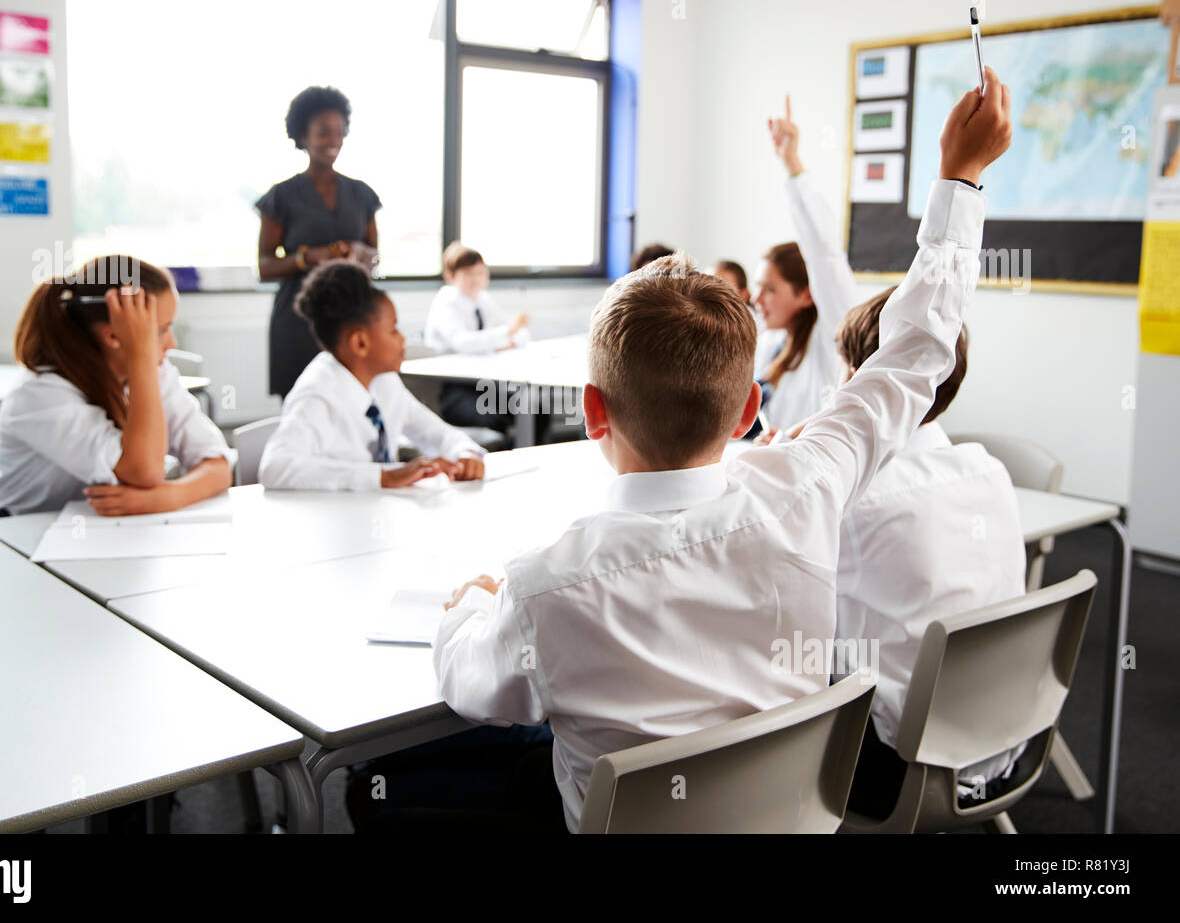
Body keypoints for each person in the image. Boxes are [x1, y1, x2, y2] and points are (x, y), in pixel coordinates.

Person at [431, 69, 1012, 832]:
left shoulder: (543, 590)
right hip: (788, 816)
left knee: (409, 773)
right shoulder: (806, 488)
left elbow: (467, 683)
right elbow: (915, 354)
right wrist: (960, 178)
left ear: (592, 412)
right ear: (748, 410)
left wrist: (469, 608)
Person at [826, 288, 1028, 817]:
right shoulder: (988, 469)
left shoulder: (854, 499)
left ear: (863, 382)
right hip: (1004, 743)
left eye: (847, 369)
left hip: (894, 769)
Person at [0, 256, 236, 516]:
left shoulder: (157, 372)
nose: (172, 343)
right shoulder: (39, 394)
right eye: (161, 330)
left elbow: (218, 464)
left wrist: (171, 496)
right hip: (23, 532)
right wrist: (141, 355)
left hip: (109, 530)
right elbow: (144, 472)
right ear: (114, 335)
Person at [259, 260, 488, 491]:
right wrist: (383, 477)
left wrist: (464, 453)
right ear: (360, 342)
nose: (402, 339)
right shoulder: (317, 395)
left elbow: (435, 432)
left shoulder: (384, 380)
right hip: (338, 519)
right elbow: (274, 467)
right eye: (393, 329)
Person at [257, 86, 382, 399]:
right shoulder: (281, 197)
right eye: (324, 132)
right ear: (302, 136)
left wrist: (360, 255)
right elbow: (264, 266)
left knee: (354, 404)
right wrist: (308, 257)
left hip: (352, 315)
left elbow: (375, 256)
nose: (334, 141)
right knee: (302, 406)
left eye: (340, 132)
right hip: (298, 321)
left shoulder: (362, 194)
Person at [753, 96, 860, 433]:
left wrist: (791, 162)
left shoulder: (832, 337)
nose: (757, 300)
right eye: (758, 288)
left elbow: (824, 252)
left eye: (770, 289)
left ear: (807, 293)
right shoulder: (772, 342)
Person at [424, 241, 531, 431]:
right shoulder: (446, 303)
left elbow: (521, 335)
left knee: (536, 411)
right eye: (468, 273)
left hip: (486, 385)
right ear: (451, 276)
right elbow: (463, 342)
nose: (476, 278)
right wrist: (506, 334)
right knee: (495, 420)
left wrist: (508, 336)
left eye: (480, 272)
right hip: (456, 389)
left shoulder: (483, 299)